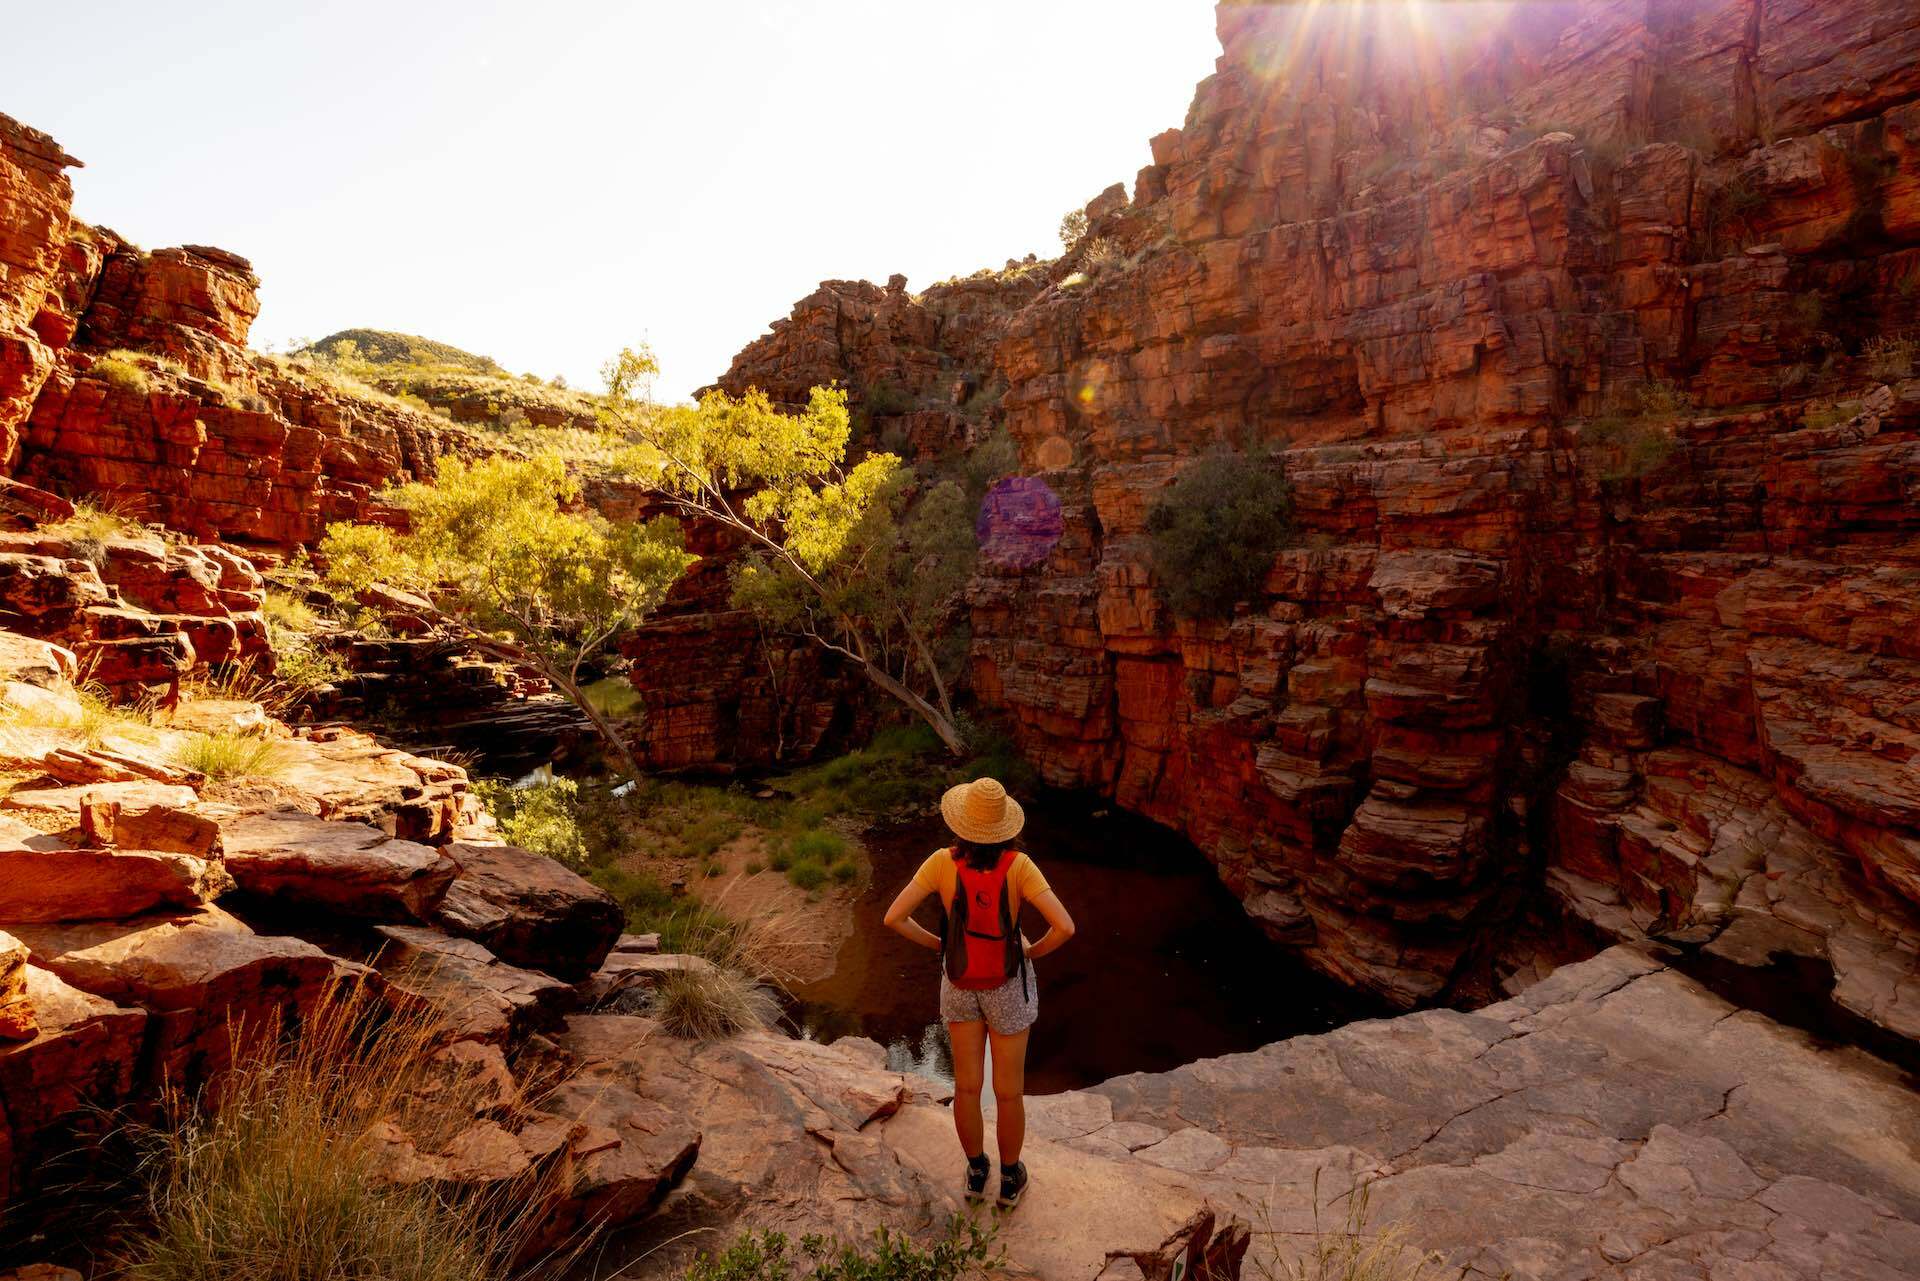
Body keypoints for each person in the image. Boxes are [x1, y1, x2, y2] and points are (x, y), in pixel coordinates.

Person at [882, 776, 1075, 1209]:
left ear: (962, 824)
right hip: (1007, 986)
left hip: (958, 984)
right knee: (1009, 1093)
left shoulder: (939, 862)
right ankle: (1010, 1179)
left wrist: (942, 943)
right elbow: (1065, 927)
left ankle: (974, 1172)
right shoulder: (1020, 866)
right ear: (1006, 827)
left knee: (967, 1088)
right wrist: (1031, 953)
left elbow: (893, 917)